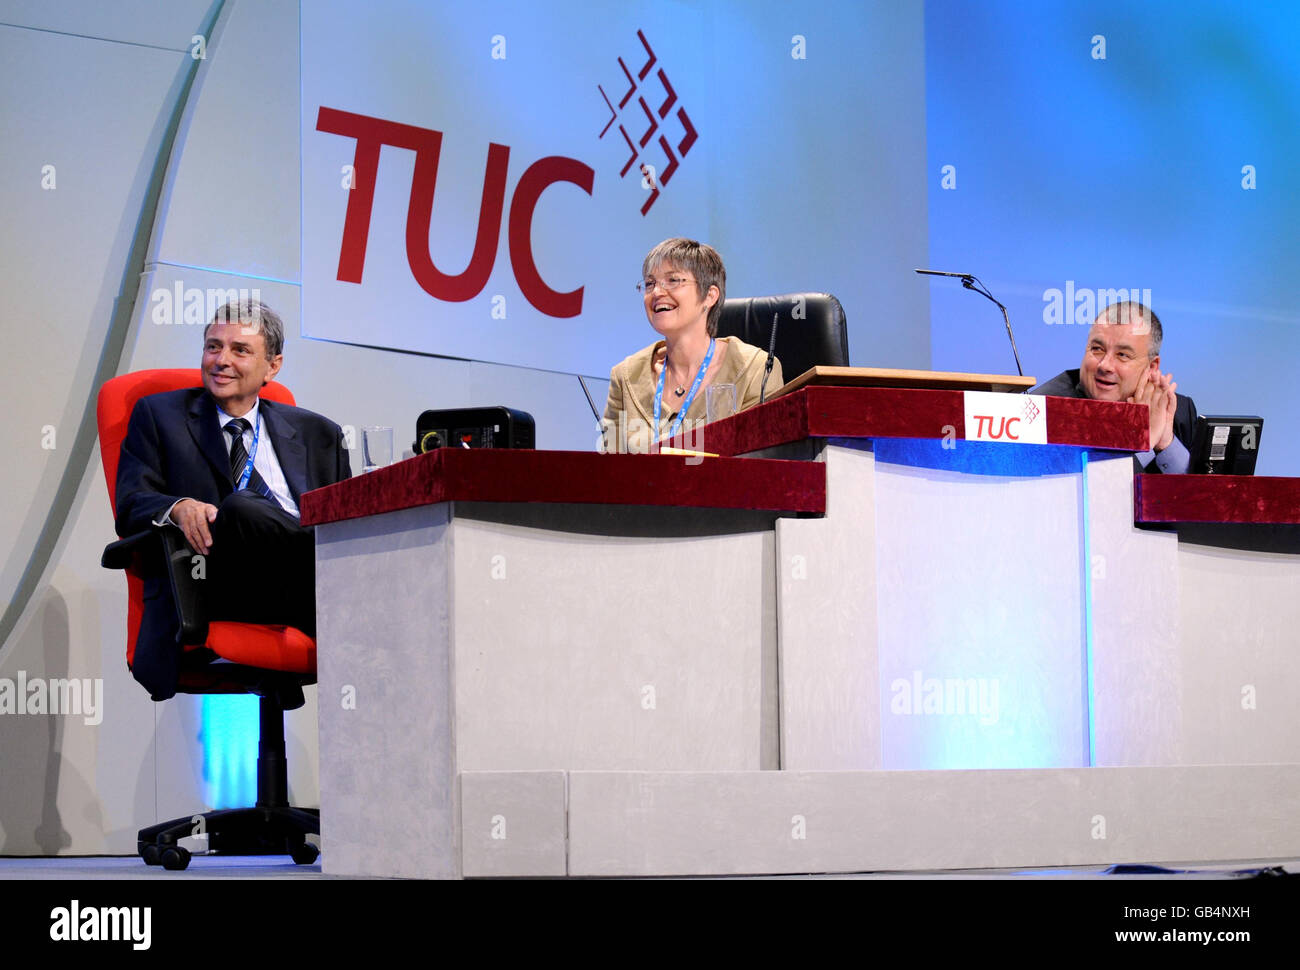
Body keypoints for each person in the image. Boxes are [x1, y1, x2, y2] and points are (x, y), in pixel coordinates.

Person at [115, 300, 351, 698]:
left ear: (272, 367)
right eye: (213, 347)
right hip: (217, 582)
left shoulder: (318, 433)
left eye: (240, 350)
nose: (221, 360)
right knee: (242, 507)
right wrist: (176, 507)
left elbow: (343, 524)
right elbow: (131, 502)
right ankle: (350, 606)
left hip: (304, 588)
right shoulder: (160, 416)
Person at [602, 237, 782, 453]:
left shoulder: (756, 370)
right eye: (650, 283)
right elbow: (608, 471)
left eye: (673, 280)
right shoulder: (625, 376)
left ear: (709, 295)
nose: (657, 292)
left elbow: (762, 466)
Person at [1032, 301, 1197, 473]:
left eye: (1122, 355)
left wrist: (1165, 444)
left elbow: (1205, 496)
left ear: (1152, 367)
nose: (1105, 365)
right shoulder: (1047, 411)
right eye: (1097, 349)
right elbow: (1093, 494)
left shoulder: (1176, 412)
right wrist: (1144, 443)